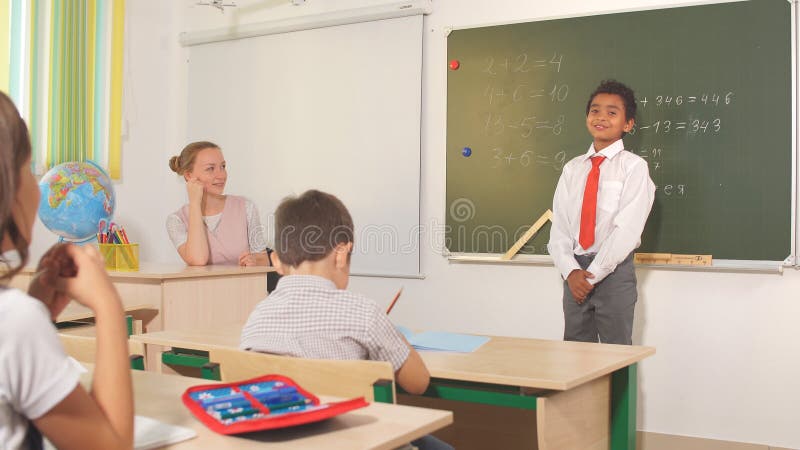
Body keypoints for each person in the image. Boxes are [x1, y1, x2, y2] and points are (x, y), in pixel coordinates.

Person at [240, 189, 452, 450]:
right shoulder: (363, 313)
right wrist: (389, 332)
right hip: (355, 440)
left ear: (276, 261)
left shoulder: (257, 317)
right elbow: (418, 383)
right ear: (341, 254)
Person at [0, 91, 133, 449]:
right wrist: (107, 304)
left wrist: (38, 309)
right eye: (30, 169)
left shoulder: (19, 317)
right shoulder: (13, 319)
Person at [547, 79, 655, 345]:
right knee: (575, 353)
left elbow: (627, 230)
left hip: (613, 273)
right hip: (574, 273)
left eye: (612, 112)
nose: (601, 117)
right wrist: (571, 272)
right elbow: (560, 227)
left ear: (628, 124)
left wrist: (592, 275)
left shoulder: (634, 167)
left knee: (616, 354)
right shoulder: (572, 169)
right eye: (595, 110)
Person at [166, 141, 274, 267]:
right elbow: (198, 260)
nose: (221, 175)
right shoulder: (176, 221)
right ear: (189, 176)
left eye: (223, 166)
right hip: (203, 282)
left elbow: (263, 259)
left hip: (244, 280)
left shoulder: (246, 207)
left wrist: (254, 261)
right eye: (210, 168)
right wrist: (194, 204)